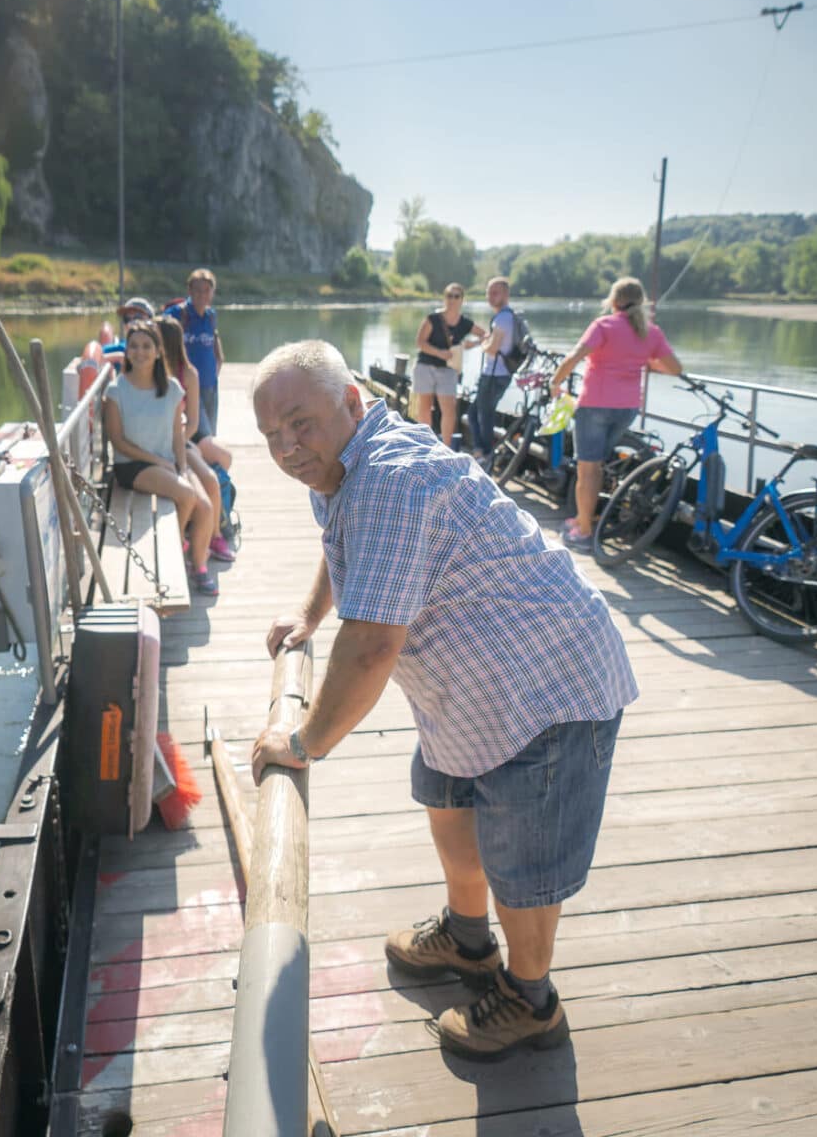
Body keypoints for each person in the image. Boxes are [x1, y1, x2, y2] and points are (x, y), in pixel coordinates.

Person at [249, 340, 637, 1060]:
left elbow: (373, 647)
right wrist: (308, 614)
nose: (287, 448)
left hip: (546, 686)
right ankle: (466, 940)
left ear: (352, 401)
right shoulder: (338, 465)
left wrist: (303, 743)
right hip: (470, 694)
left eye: (299, 423)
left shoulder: (390, 479)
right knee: (449, 806)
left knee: (522, 865)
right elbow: (344, 544)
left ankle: (531, 1001)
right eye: (271, 435)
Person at [549, 277, 682, 551]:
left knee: (588, 469)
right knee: (598, 463)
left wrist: (555, 382)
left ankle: (584, 531)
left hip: (595, 405)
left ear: (613, 301)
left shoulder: (604, 326)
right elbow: (675, 368)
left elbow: (574, 357)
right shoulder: (651, 332)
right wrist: (643, 361)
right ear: (641, 301)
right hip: (627, 408)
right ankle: (586, 517)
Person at [103, 318, 219, 597]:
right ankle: (173, 555)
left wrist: (182, 467)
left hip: (167, 462)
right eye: (133, 346)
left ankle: (199, 567)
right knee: (186, 495)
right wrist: (160, 463)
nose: (139, 352)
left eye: (146, 346)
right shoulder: (117, 391)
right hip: (133, 466)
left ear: (158, 351)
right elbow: (117, 442)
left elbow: (177, 435)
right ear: (127, 352)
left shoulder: (172, 388)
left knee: (205, 507)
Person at [157, 314, 235, 562]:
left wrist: (178, 443)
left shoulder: (188, 373)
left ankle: (216, 536)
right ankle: (185, 540)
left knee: (210, 479)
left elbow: (191, 422)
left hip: (181, 439)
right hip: (156, 444)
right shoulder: (149, 372)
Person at [413, 283, 486, 446]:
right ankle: (424, 444)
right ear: (444, 298)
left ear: (462, 299)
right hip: (426, 366)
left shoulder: (465, 323)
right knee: (425, 407)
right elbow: (420, 342)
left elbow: (486, 335)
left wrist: (472, 344)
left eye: (456, 296)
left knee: (449, 410)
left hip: (448, 369)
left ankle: (445, 447)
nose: (452, 299)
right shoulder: (433, 319)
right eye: (449, 296)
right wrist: (439, 353)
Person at [166, 269, 224, 435]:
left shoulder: (211, 315)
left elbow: (214, 341)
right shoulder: (177, 314)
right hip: (187, 385)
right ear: (189, 291)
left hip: (210, 384)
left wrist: (219, 363)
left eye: (207, 290)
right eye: (197, 290)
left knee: (209, 433)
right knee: (200, 432)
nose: (202, 295)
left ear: (212, 292)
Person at [466, 276, 515, 463]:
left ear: (506, 294)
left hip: (494, 374)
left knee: (481, 415)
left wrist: (484, 344)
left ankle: (485, 454)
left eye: (495, 293)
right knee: (478, 412)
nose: (490, 297)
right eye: (489, 293)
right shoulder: (510, 316)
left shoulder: (502, 318)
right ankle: (481, 451)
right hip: (502, 373)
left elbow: (493, 348)